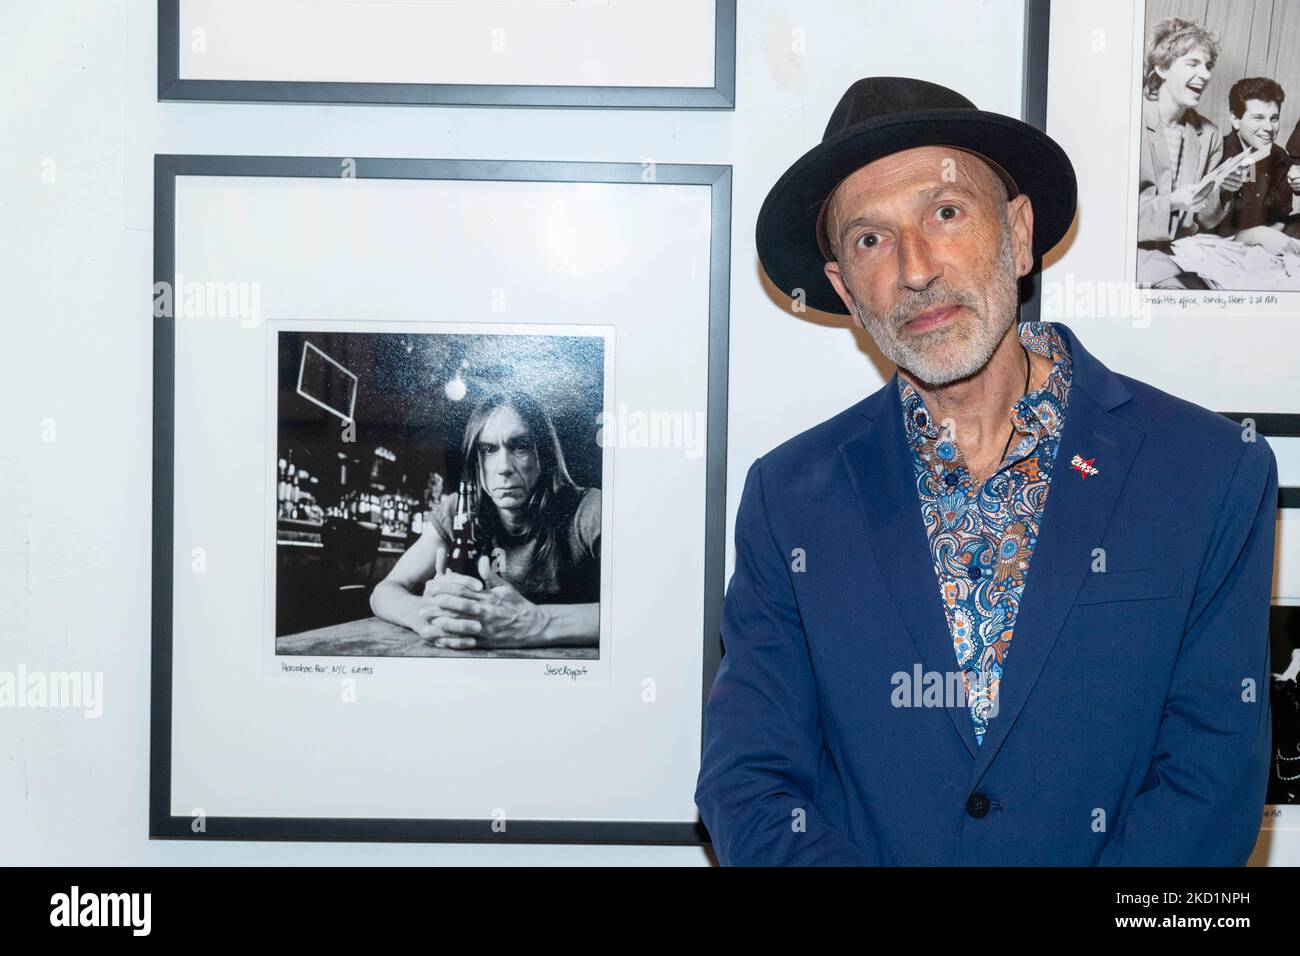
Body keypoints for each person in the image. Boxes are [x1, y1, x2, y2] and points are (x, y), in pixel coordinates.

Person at [697, 76, 1278, 866]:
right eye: (870, 240)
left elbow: (1211, 786)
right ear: (844, 290)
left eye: (945, 213)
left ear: (1019, 232)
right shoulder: (788, 499)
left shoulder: (1208, 471)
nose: (915, 269)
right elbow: (748, 784)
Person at [370, 389, 601, 649]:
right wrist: (426, 615)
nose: (504, 467)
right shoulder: (459, 511)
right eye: (488, 450)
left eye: (520, 446)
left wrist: (536, 622)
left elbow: (634, 606)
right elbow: (385, 591)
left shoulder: (588, 508)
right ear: (475, 461)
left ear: (544, 455)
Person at [1135, 17, 1244, 288]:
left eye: (1208, 66)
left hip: (1186, 252)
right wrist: (1172, 202)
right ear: (1162, 67)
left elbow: (1206, 219)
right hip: (1132, 249)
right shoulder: (1130, 120)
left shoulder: (1210, 134)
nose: (1205, 75)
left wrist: (1223, 190)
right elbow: (1112, 216)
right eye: (1193, 63)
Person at [1211, 77, 1300, 247]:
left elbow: (1281, 217)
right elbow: (1205, 224)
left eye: (1274, 118)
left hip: (1266, 241)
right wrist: (1255, 236)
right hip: (1221, 243)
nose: (1268, 128)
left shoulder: (1280, 157)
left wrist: (1269, 236)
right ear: (1235, 119)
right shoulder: (1216, 153)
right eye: (1258, 118)